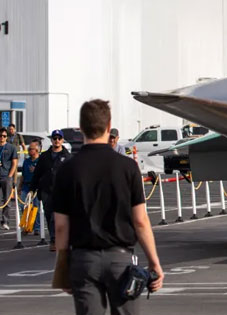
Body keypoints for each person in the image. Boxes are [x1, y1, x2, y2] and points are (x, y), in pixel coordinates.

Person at [53, 99, 163, 313]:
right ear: (108, 125)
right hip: (120, 259)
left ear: (81, 127)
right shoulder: (127, 167)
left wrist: (63, 268)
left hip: (84, 260)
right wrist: (154, 262)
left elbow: (60, 226)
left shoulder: (67, 169)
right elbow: (140, 221)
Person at [32, 130, 71, 251]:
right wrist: (32, 188)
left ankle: (57, 239)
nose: (57, 140)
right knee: (49, 216)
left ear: (62, 140)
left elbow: (72, 174)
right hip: (46, 191)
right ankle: (53, 238)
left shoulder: (67, 156)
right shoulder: (44, 156)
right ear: (52, 140)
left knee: (57, 216)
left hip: (61, 191)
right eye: (55, 138)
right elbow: (37, 173)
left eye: (59, 138)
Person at [20, 140, 41, 233]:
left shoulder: (41, 161)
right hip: (26, 186)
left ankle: (37, 227)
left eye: (31, 149)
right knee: (23, 206)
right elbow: (23, 175)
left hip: (36, 187)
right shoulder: (26, 161)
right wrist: (19, 186)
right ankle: (27, 225)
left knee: (36, 207)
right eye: (29, 149)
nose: (29, 151)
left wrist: (36, 171)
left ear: (37, 150)